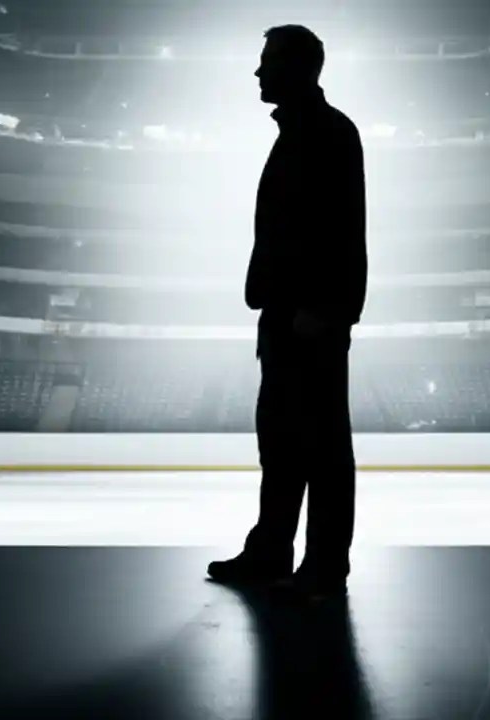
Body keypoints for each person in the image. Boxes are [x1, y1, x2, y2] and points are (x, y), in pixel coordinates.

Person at [207, 24, 368, 602]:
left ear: (296, 67)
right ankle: (271, 550)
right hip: (285, 311)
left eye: (267, 61)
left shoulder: (327, 132)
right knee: (280, 442)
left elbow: (342, 229)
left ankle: (323, 565)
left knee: (322, 446)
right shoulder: (303, 131)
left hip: (311, 315)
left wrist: (325, 309)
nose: (258, 72)